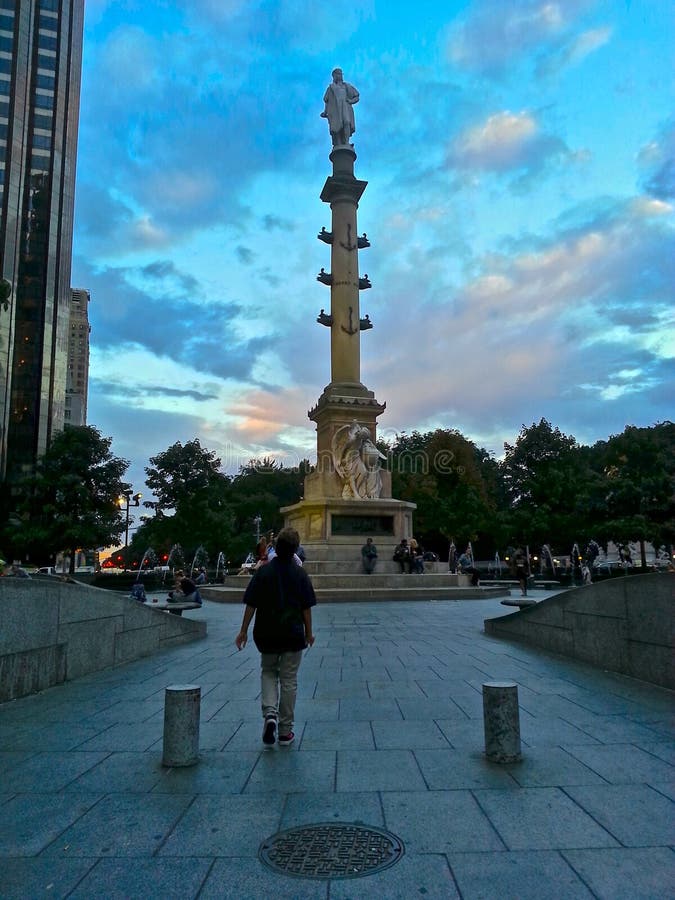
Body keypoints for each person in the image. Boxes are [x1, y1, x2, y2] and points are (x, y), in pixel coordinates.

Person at [235, 527, 316, 747]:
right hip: (292, 633)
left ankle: (270, 713)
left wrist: (243, 630)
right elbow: (306, 607)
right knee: (289, 680)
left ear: (276, 548)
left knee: (269, 672)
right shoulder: (300, 574)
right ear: (295, 549)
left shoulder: (263, 572)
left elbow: (251, 603)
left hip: (267, 632)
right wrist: (309, 632)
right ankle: (285, 730)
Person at [321, 67, 359, 146]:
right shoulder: (331, 88)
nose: (339, 76)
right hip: (335, 110)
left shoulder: (347, 86)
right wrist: (325, 112)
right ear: (334, 76)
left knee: (347, 122)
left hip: (345, 107)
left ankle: (346, 143)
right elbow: (327, 101)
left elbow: (357, 96)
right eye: (337, 74)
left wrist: (351, 101)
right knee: (337, 126)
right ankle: (338, 144)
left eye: (340, 74)